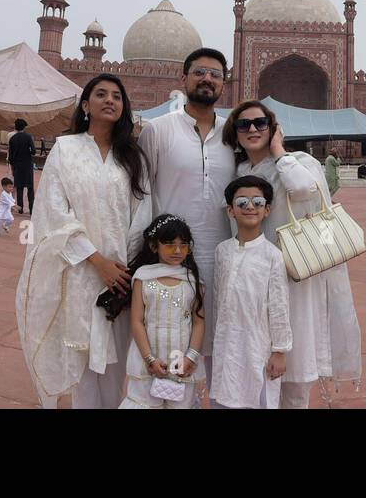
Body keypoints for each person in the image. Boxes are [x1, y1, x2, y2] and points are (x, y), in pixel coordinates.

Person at [16, 73, 153, 409]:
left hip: (121, 279)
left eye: (117, 96)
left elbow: (143, 213)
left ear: (124, 108)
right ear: (86, 105)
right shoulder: (66, 150)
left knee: (114, 366)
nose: (110, 100)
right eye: (101, 94)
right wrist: (96, 260)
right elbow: (53, 213)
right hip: (79, 271)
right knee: (83, 366)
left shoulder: (132, 157)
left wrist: (125, 268)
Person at [223, 100, 362, 408]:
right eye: (243, 125)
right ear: (235, 133)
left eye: (260, 123)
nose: (252, 129)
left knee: (295, 378)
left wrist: (279, 151)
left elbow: (303, 190)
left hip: (294, 276)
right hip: (253, 279)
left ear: (273, 128)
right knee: (255, 372)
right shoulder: (239, 170)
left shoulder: (297, 161)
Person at [138, 47, 235, 377]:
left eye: (216, 74)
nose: (208, 79)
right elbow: (140, 193)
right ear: (184, 79)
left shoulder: (234, 134)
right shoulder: (158, 130)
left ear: (225, 83)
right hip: (171, 260)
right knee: (170, 345)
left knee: (222, 346)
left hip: (221, 258)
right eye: (199, 72)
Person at [210, 176, 291, 410]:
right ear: (230, 211)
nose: (250, 207)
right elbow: (218, 300)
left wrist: (280, 351)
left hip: (259, 346)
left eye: (257, 202)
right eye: (242, 202)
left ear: (267, 210)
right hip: (227, 344)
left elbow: (279, 306)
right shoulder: (222, 251)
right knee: (226, 397)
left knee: (257, 397)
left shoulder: (272, 255)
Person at [119, 214, 207, 409]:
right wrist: (149, 359)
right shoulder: (143, 278)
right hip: (147, 359)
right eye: (169, 244)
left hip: (181, 360)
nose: (177, 250)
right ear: (154, 246)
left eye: (183, 245)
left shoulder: (193, 281)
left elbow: (199, 322)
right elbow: (136, 321)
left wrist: (190, 358)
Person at [8, 118, 37, 215]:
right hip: (27, 165)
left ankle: (20, 208)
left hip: (17, 165)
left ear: (15, 127)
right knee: (30, 187)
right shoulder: (28, 137)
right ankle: (31, 209)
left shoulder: (12, 139)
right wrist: (27, 151)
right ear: (24, 127)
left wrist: (12, 168)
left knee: (19, 187)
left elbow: (11, 156)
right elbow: (33, 151)